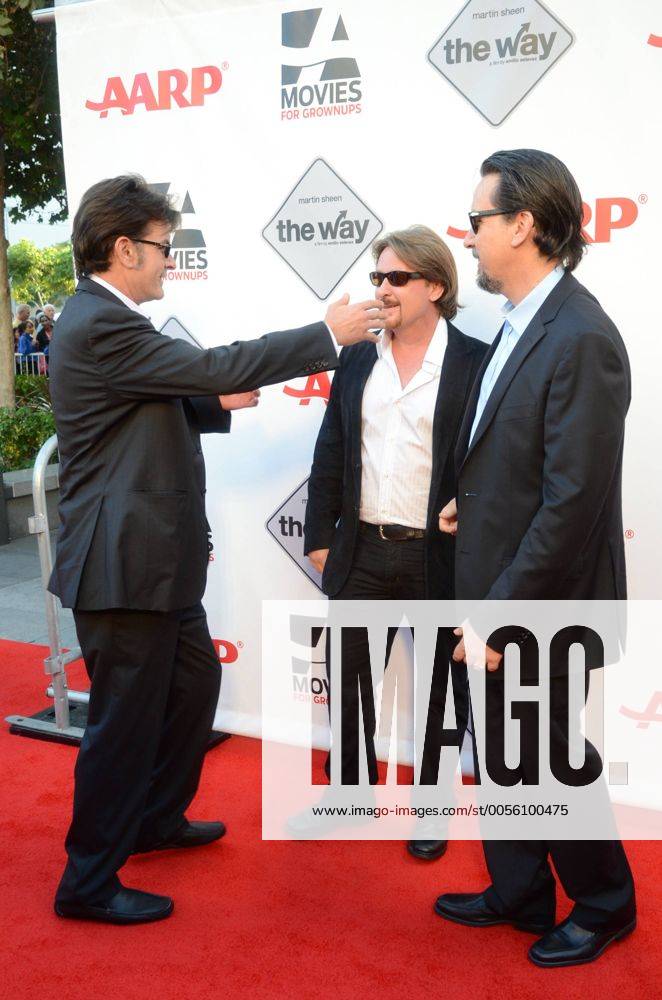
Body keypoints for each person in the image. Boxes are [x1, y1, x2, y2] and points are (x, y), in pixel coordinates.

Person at [48, 174, 386, 926]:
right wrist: (326, 336)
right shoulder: (101, 322)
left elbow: (145, 402)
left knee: (195, 687)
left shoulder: (108, 322)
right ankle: (88, 882)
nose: (171, 259)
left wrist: (207, 402)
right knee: (122, 726)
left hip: (157, 565)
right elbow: (208, 366)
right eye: (164, 246)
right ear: (124, 248)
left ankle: (154, 820)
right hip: (124, 566)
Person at [434, 149, 636, 967]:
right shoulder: (519, 322)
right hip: (496, 582)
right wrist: (470, 501)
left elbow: (573, 503)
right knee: (502, 754)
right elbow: (517, 459)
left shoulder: (582, 336)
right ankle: (519, 891)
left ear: (522, 224)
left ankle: (605, 903)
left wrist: (498, 612)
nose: (468, 236)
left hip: (540, 604)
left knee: (548, 761)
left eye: (477, 220)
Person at [303, 226, 487, 859]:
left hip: (440, 555)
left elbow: (495, 461)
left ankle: (433, 810)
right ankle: (350, 793)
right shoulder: (358, 358)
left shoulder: (475, 362)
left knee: (441, 691)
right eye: (377, 276)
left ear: (435, 286)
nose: (382, 289)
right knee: (350, 681)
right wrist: (319, 533)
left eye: (397, 278)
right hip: (360, 549)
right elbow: (331, 447)